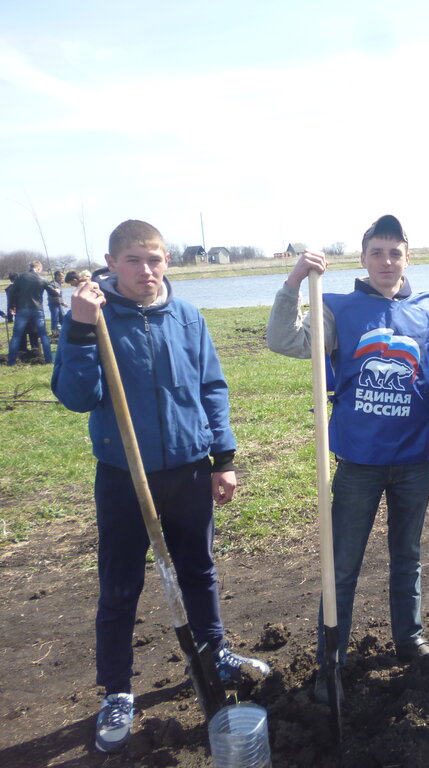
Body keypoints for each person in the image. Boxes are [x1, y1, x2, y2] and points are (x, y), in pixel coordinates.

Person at [51, 220, 270, 754]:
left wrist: (224, 459)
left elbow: (211, 388)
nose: (145, 271)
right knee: (120, 586)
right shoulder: (95, 318)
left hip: (191, 469)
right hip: (125, 475)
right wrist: (80, 329)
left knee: (199, 568)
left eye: (154, 260)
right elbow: (75, 395)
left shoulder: (188, 317)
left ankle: (214, 648)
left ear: (167, 261)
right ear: (112, 262)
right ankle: (118, 691)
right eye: (133, 261)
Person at [266, 214, 429, 689]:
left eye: (394, 252)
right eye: (376, 253)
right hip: (358, 463)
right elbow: (283, 341)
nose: (386, 261)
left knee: (408, 555)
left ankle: (410, 640)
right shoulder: (337, 308)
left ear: (407, 257)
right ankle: (330, 662)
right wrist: (295, 281)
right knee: (343, 564)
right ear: (362, 259)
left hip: (412, 460)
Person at [6, 261, 53, 366]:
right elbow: (53, 293)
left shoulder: (20, 277)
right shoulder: (43, 279)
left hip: (22, 309)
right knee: (44, 335)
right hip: (37, 310)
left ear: (30, 268)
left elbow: (11, 292)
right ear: (39, 268)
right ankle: (49, 360)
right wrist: (56, 290)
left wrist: (12, 306)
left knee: (16, 336)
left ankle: (11, 361)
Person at [47, 269, 67, 335]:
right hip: (53, 304)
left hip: (59, 304)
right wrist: (54, 290)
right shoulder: (52, 284)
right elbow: (50, 291)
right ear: (57, 276)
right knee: (55, 319)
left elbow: (59, 296)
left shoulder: (59, 284)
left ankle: (64, 332)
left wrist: (62, 303)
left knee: (63, 318)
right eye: (61, 276)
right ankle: (54, 333)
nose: (62, 278)